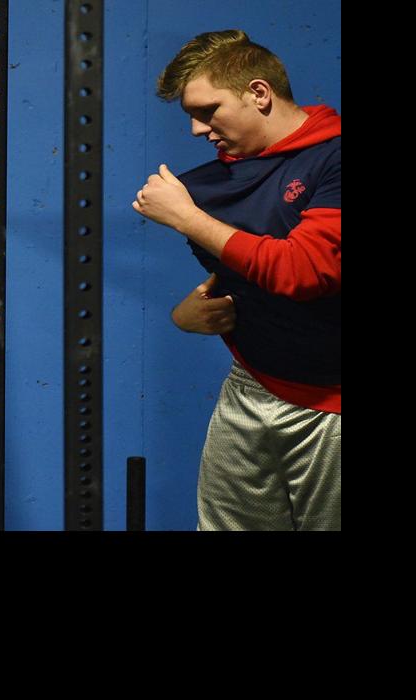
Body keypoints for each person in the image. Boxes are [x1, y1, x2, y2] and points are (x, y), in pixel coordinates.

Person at [131, 29, 340, 531]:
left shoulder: (333, 160)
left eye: (208, 111)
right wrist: (188, 315)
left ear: (259, 93)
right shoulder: (208, 187)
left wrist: (186, 218)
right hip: (251, 387)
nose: (197, 130)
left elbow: (305, 272)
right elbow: (237, 282)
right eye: (190, 116)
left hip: (333, 407)